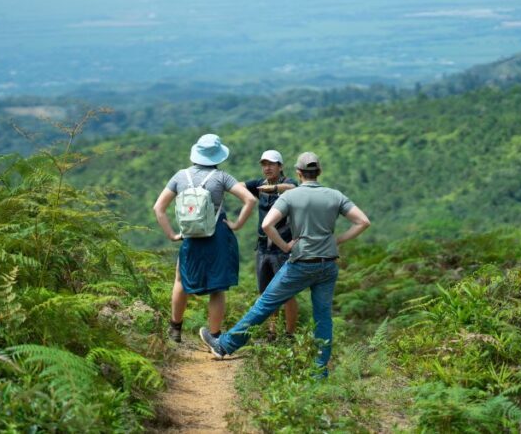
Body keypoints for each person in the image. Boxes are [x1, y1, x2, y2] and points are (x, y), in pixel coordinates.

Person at [200, 152, 370, 376]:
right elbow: (363, 221)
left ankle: (225, 345)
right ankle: (319, 372)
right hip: (328, 264)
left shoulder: (291, 196)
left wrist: (285, 246)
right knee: (323, 317)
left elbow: (267, 225)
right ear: (319, 172)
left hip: (301, 261)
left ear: (298, 173)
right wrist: (336, 240)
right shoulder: (335, 195)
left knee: (265, 304)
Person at [153, 134, 256, 343]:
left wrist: (172, 234)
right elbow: (250, 199)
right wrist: (237, 224)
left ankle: (175, 329)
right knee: (217, 288)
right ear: (217, 156)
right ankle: (215, 336)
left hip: (191, 235)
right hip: (217, 235)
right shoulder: (222, 177)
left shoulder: (180, 176)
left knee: (181, 280)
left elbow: (158, 208)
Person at [243, 150, 299, 340]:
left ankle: (290, 334)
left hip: (282, 247)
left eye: (271, 164)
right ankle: (271, 332)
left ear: (280, 166)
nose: (267, 168)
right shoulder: (259, 184)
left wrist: (273, 189)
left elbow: (294, 188)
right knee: (266, 292)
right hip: (262, 247)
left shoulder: (289, 183)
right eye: (264, 164)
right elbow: (237, 186)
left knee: (287, 292)